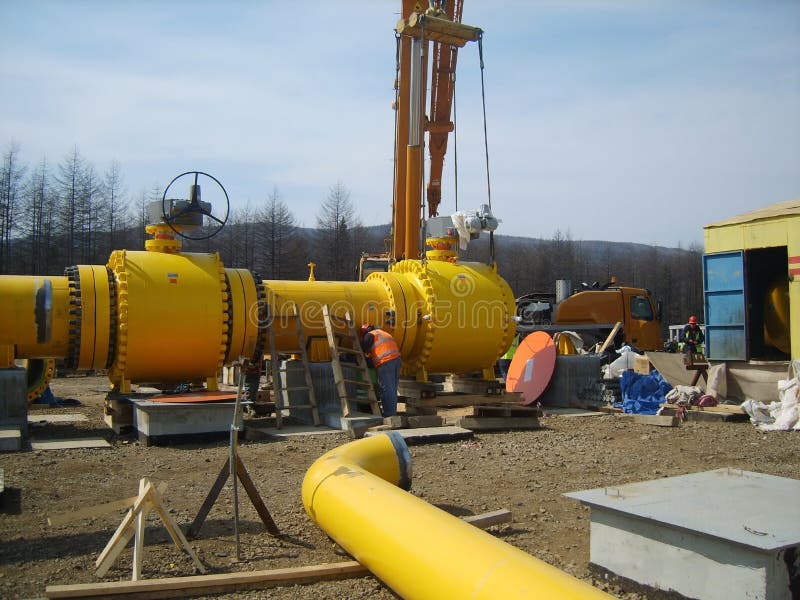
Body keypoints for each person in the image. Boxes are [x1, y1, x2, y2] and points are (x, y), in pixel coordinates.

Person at [359, 323, 401, 417]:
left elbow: (361, 348)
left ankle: (389, 415)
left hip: (385, 362)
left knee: (386, 388)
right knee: (392, 388)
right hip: (396, 360)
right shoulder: (383, 333)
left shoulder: (369, 335)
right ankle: (392, 412)